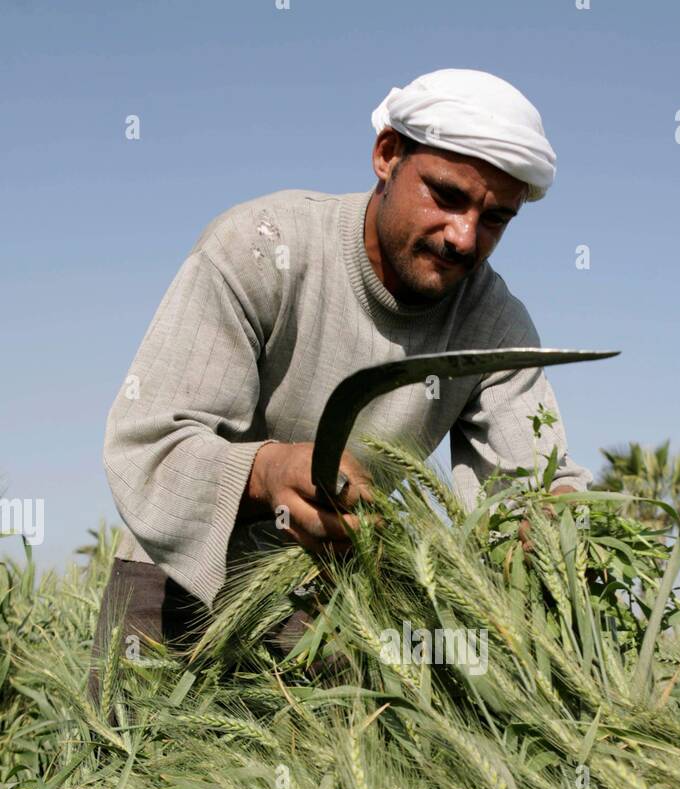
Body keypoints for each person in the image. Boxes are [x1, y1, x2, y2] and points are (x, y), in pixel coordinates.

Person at [89, 68, 592, 699]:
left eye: (495, 219)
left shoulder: (495, 327)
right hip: (172, 591)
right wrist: (266, 471)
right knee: (128, 787)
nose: (465, 236)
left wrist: (564, 516)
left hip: (334, 617)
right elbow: (147, 441)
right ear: (387, 155)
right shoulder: (259, 247)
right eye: (446, 195)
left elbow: (533, 484)